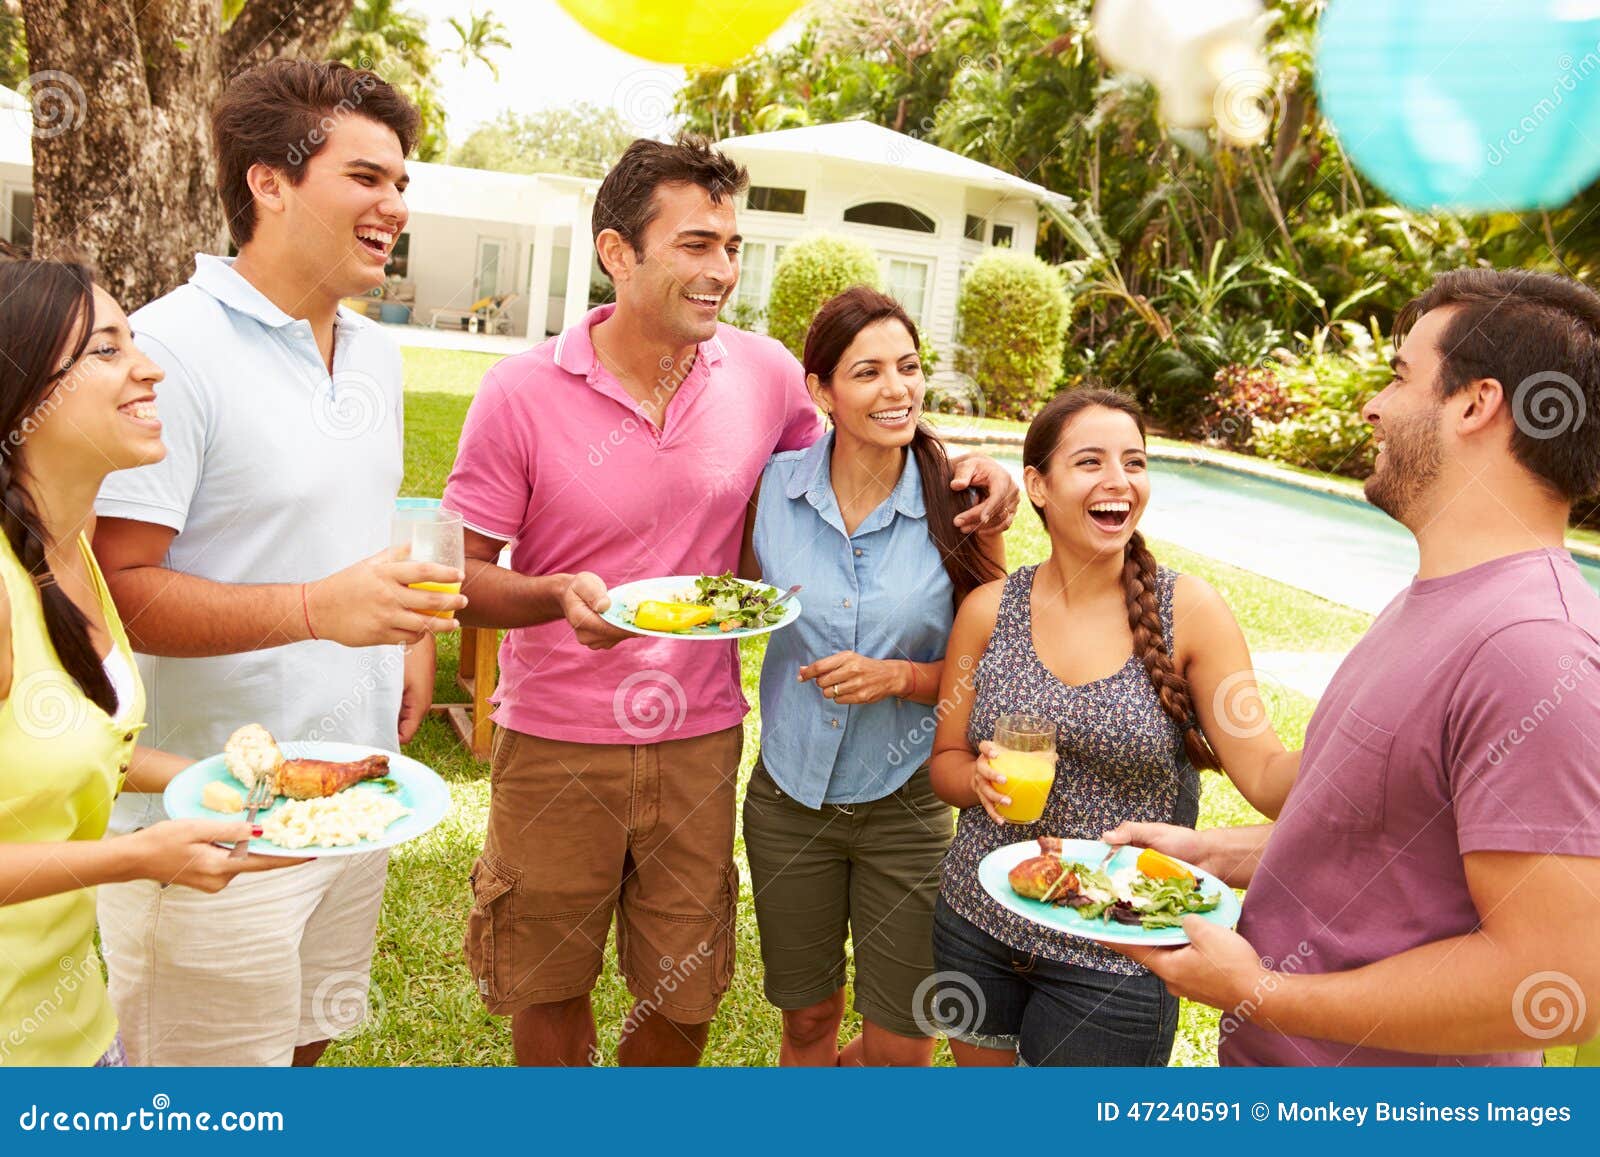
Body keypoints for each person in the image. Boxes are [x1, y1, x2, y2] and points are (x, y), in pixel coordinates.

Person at [443, 135, 1019, 1066]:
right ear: (617, 252)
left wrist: (977, 472)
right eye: (696, 244)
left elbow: (863, 439)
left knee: (684, 987)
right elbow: (461, 577)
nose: (722, 271)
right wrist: (554, 595)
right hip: (554, 738)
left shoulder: (758, 376)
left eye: (731, 246)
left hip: (701, 738)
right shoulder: (520, 391)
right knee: (547, 989)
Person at [1111, 268, 1600, 1065]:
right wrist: (1210, 854)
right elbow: (1394, 841)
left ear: (1476, 404)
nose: (1373, 404)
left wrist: (1263, 992)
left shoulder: (1534, 647)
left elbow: (1550, 981)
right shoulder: (1436, 602)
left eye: (1401, 376)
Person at [90, 60, 466, 1067]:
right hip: (211, 813)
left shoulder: (376, 351)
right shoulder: (170, 349)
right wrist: (315, 607)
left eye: (402, 183)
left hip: (355, 796)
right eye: (366, 177)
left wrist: (404, 646)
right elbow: (116, 595)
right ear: (269, 182)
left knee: (305, 1049)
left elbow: (351, 513)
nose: (394, 204)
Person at [927, 387, 1296, 1067]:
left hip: (1121, 948)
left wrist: (1367, 742)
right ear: (1037, 484)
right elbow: (945, 761)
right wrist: (977, 780)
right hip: (978, 919)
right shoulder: (986, 610)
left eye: (1135, 461)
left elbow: (1271, 778)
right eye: (1090, 461)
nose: (1119, 481)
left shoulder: (1193, 611)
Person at [0, 260, 298, 1067]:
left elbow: (78, 743)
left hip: (74, 1030)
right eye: (105, 349)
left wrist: (220, 780)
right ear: (23, 393)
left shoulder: (74, 555)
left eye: (135, 338)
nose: (149, 365)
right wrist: (140, 855)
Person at [739, 287, 1005, 1066]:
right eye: (868, 372)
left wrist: (899, 677)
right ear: (820, 390)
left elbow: (991, 667)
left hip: (907, 806)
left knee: (901, 1037)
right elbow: (730, 601)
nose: (897, 390)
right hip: (790, 800)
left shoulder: (959, 502)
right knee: (809, 1022)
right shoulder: (774, 493)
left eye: (910, 367)